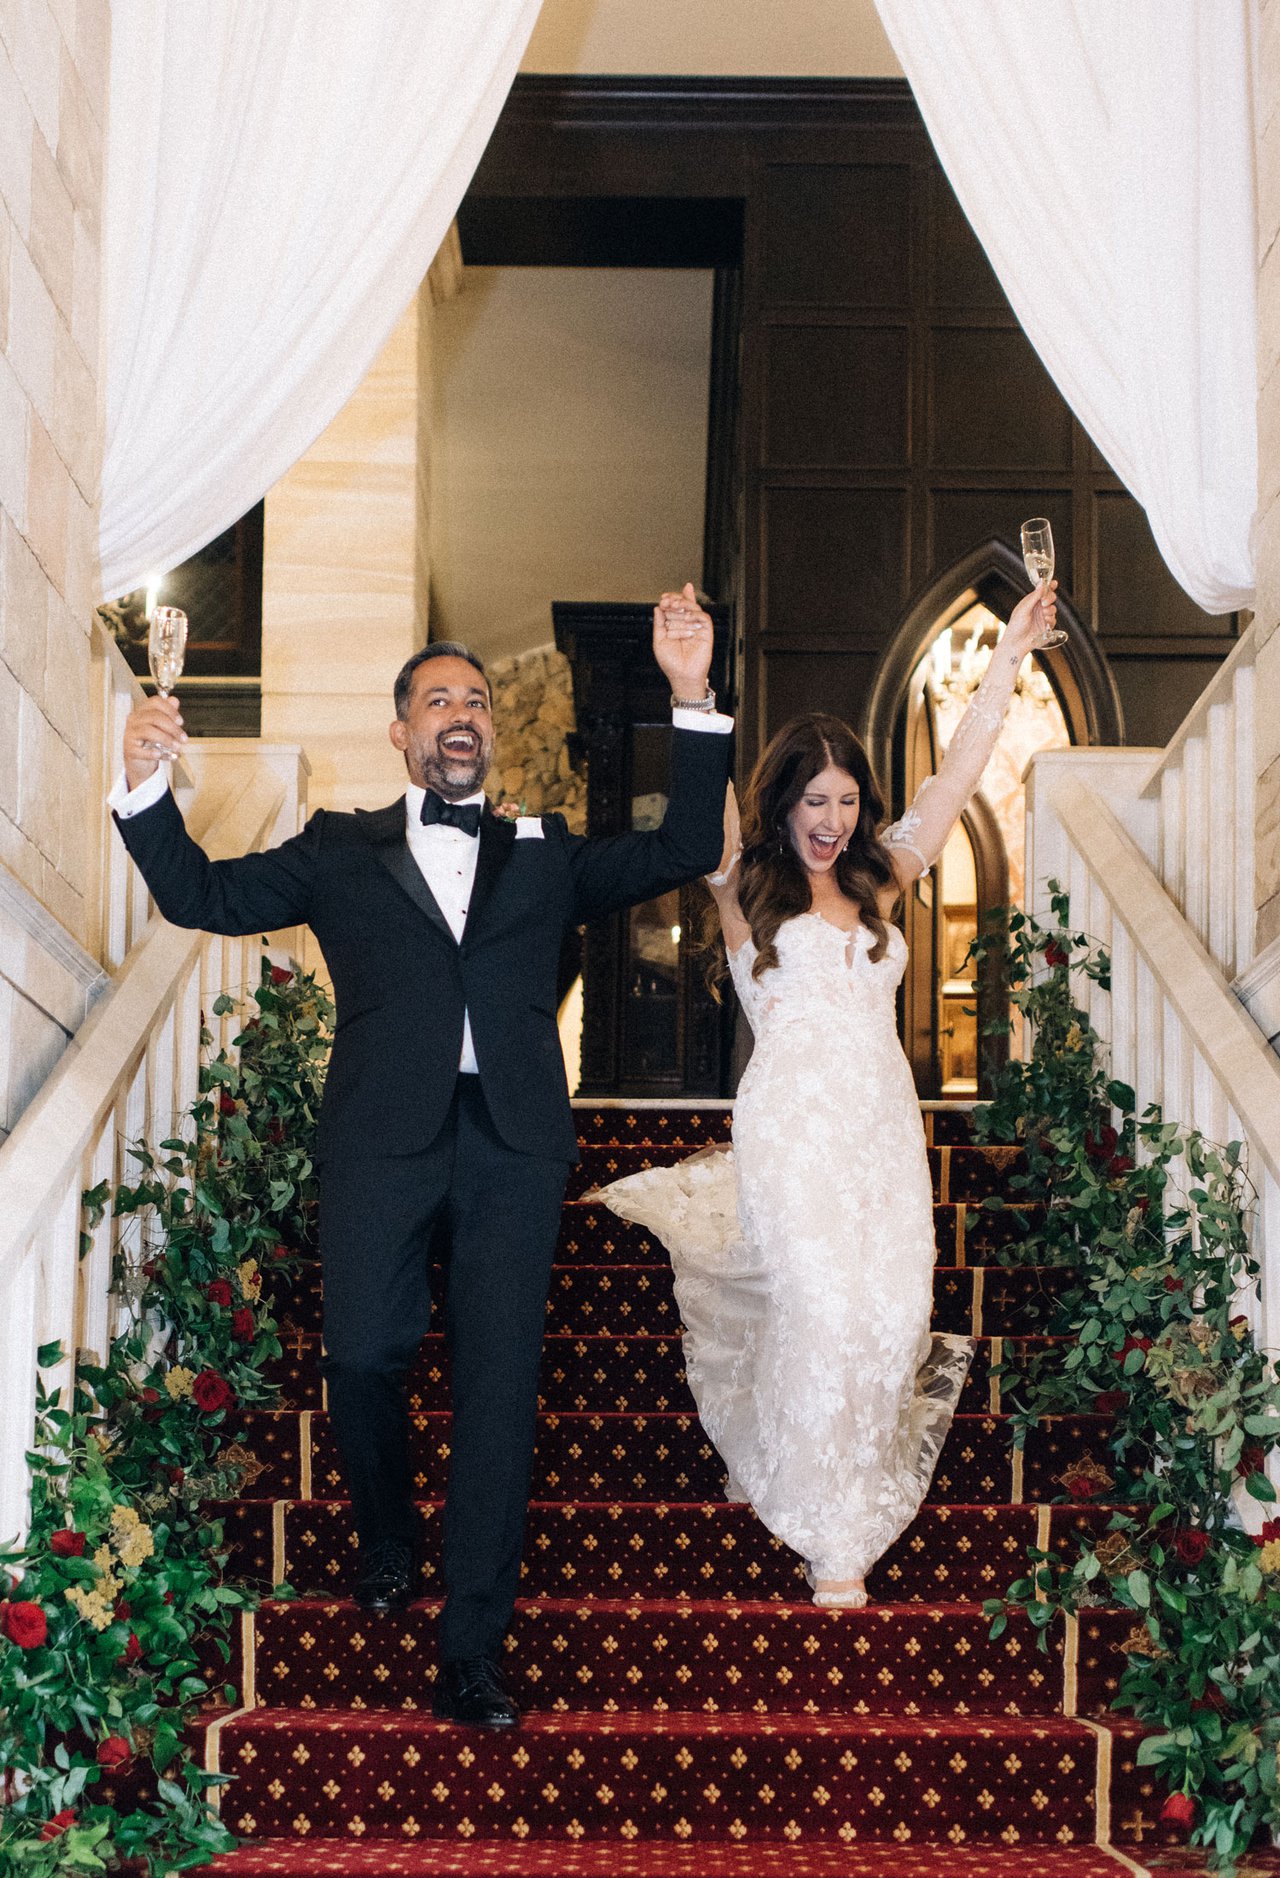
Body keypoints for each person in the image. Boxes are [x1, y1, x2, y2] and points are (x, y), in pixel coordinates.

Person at [110, 586, 731, 1728]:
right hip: (378, 1146)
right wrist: (146, 783)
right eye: (438, 698)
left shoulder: (541, 853)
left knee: (499, 1392)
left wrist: (688, 691)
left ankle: (469, 1649)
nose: (463, 712)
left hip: (513, 1149)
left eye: (478, 700)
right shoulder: (339, 850)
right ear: (398, 732)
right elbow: (201, 892)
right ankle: (387, 1531)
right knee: (360, 1357)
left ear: (491, 733)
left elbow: (687, 845)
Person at [597, 579, 1057, 1608]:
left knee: (889, 1315)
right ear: (783, 803)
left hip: (879, 1130)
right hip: (791, 1126)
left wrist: (1007, 658)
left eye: (846, 803)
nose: (831, 821)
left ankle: (816, 1476)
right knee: (815, 1302)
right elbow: (701, 786)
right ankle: (828, 1534)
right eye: (814, 802)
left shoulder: (880, 879)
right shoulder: (740, 883)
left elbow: (956, 774)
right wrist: (692, 683)